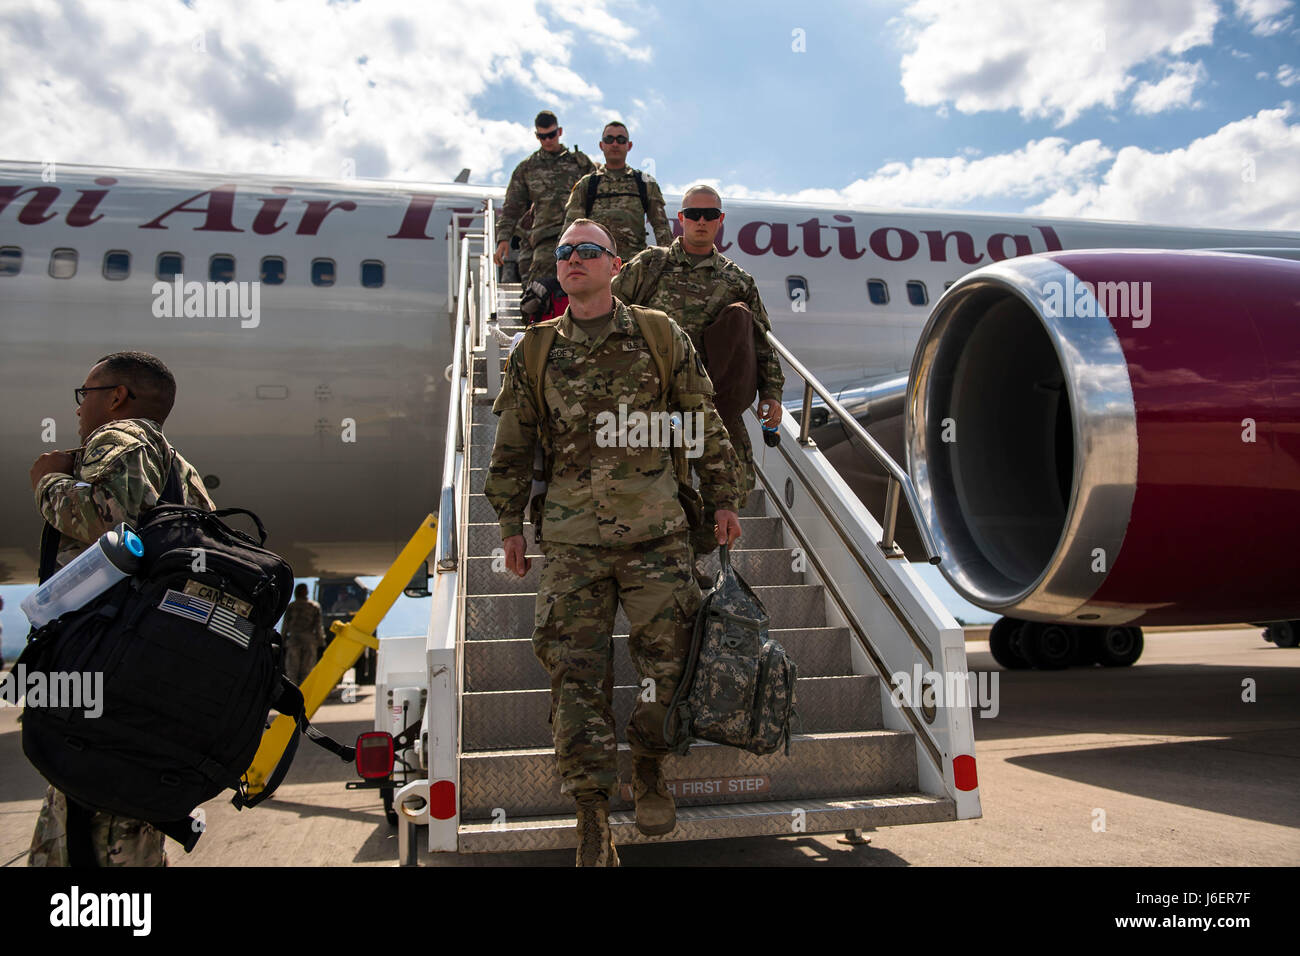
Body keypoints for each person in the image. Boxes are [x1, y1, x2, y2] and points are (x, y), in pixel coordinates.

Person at [485, 219, 744, 866]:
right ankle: (592, 814)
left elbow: (699, 419)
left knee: (668, 666)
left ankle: (651, 764)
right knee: (575, 677)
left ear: (614, 264)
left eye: (587, 251)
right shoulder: (535, 350)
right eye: (565, 252)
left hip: (658, 533)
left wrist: (723, 497)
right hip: (572, 541)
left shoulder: (659, 333)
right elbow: (513, 444)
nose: (572, 260)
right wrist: (510, 525)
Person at [26, 351, 215, 867]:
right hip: (153, 669)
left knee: (92, 822)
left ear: (116, 397)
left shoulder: (120, 438)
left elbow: (108, 526)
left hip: (111, 667)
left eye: (84, 396)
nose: (79, 410)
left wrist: (46, 480)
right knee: (120, 813)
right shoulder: (183, 472)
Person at [612, 184, 785, 575]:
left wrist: (770, 393)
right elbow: (605, 312)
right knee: (653, 485)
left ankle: (689, 558)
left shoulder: (736, 280)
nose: (701, 221)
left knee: (735, 483)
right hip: (652, 399)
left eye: (710, 215)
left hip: (712, 402)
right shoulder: (649, 266)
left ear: (721, 221)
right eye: (693, 214)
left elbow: (762, 343)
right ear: (681, 219)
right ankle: (665, 566)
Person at [493, 110, 596, 284]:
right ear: (537, 136)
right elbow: (512, 206)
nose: (548, 140)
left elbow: (596, 198)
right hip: (542, 238)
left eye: (551, 135)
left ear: (560, 132)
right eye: (542, 136)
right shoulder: (527, 168)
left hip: (575, 237)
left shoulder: (580, 164)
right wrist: (503, 238)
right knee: (539, 291)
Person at [562, 121, 672, 261]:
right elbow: (572, 230)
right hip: (594, 266)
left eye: (621, 139)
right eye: (609, 139)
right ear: (601, 145)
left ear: (629, 145)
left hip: (633, 270)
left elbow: (662, 229)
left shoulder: (645, 183)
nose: (615, 144)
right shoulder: (586, 184)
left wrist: (669, 266)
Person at [281, 583, 325, 684]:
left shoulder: (291, 606)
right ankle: (304, 694)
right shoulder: (314, 606)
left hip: (294, 641)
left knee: (292, 671)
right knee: (307, 671)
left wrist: (282, 641)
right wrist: (321, 642)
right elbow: (318, 626)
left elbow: (285, 626)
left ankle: (293, 694)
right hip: (309, 642)